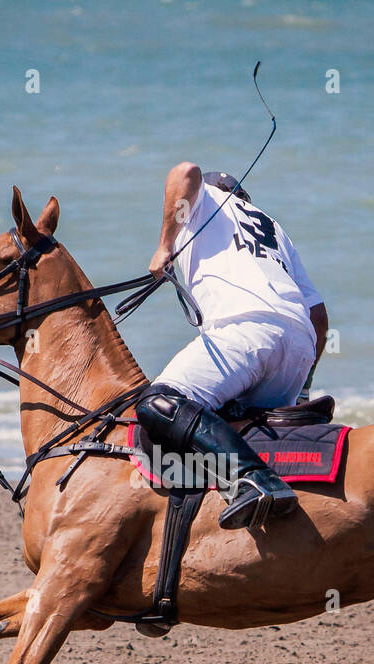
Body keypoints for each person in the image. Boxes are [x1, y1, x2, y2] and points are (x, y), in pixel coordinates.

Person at [134, 162, 330, 530]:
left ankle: (254, 481)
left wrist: (163, 247)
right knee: (233, 424)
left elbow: (186, 171)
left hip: (246, 331)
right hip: (298, 344)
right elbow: (318, 317)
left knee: (158, 403)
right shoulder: (274, 228)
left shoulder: (205, 201)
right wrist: (302, 389)